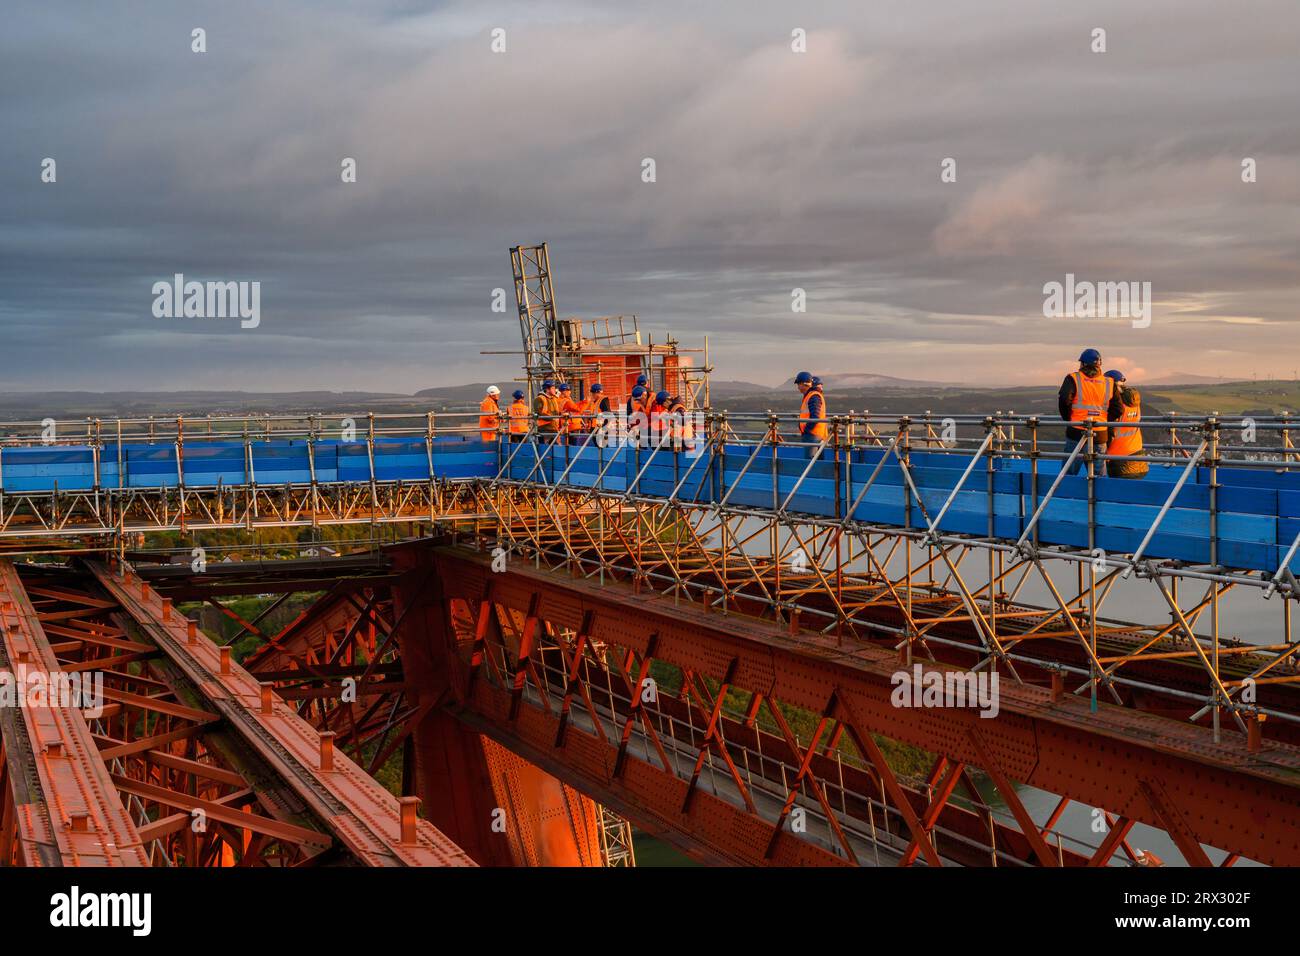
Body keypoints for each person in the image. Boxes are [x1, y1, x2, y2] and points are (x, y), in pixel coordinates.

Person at [1058, 349, 1121, 475]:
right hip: (1099, 432)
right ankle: (1098, 495)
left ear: (1082, 364)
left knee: (1069, 473)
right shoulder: (1109, 382)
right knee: (1099, 475)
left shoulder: (1073, 378)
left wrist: (1069, 419)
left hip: (1076, 431)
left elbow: (1064, 400)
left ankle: (1067, 494)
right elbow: (1118, 409)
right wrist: (1103, 420)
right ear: (1099, 364)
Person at [1105, 370, 1148, 478]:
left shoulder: (1115, 405)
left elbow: (1109, 432)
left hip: (1119, 461)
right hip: (1139, 457)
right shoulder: (1134, 403)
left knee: (1115, 493)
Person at [795, 371, 827, 453]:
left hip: (813, 435)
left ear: (804, 383)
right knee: (815, 462)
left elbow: (815, 416)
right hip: (813, 434)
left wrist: (807, 430)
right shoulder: (810, 395)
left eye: (799, 384)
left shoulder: (813, 396)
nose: (798, 387)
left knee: (810, 461)